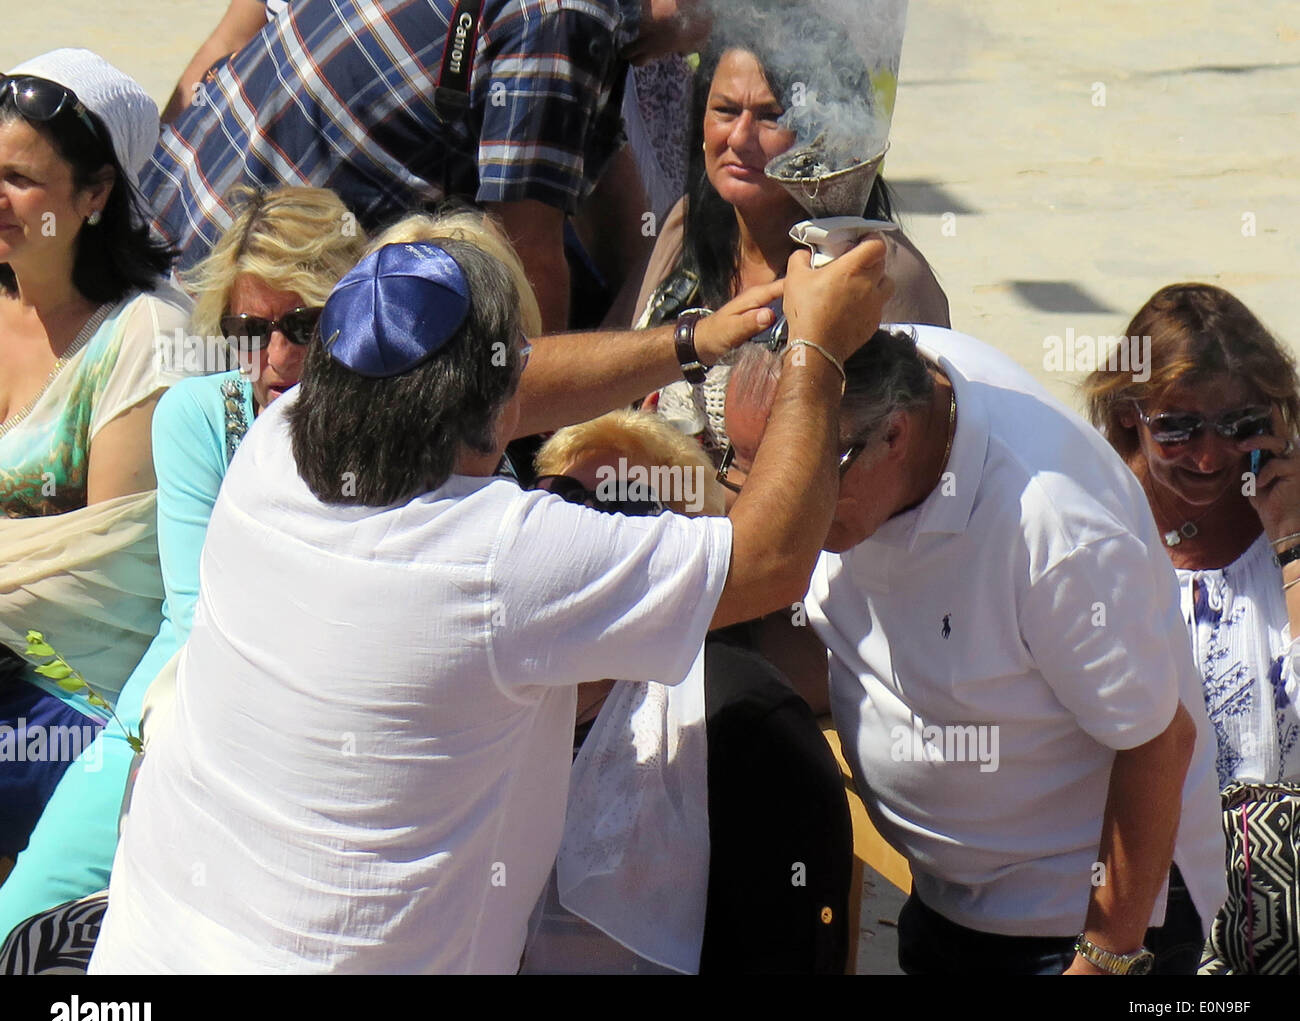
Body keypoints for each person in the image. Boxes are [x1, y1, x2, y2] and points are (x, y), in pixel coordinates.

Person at [87, 226, 889, 974]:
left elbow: (505, 379)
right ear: (492, 406)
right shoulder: (502, 559)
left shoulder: (274, 449)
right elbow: (772, 558)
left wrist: (690, 342)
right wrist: (817, 349)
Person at [720, 323, 1226, 975]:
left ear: (893, 438)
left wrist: (1102, 959)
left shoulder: (1056, 532)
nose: (769, 509)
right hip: (944, 907)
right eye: (743, 465)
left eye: (793, 476)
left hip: (1078, 924)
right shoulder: (867, 397)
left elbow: (1159, 742)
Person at [0, 186, 366, 940]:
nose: (274, 360)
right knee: (28, 909)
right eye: (246, 329)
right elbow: (198, 614)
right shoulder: (200, 413)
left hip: (331, 726)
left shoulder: (388, 432)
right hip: (175, 696)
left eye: (302, 326)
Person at [145, 0, 711, 330]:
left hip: (148, 223)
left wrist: (641, 294)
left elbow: (591, 182)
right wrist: (565, 428)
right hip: (219, 304)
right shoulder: (565, 15)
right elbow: (525, 259)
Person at [524, 408, 852, 973]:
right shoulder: (491, 682)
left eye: (622, 503)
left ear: (690, 553)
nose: (586, 527)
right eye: (562, 499)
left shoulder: (746, 724)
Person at [0, 49, 189, 877]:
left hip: (68, 699)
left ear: (97, 195)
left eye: (19, 179)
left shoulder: (145, 340)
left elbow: (104, 585)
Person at [1082, 283, 1300, 975]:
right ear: (1128, 414)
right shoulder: (1085, 528)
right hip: (1128, 899)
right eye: (1177, 429)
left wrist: (1291, 542)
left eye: (1237, 426)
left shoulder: (1291, 521)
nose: (1209, 457)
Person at [630, 27, 950, 458]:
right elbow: (620, 381)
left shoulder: (879, 273)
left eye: (772, 116)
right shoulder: (683, 226)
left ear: (830, 136)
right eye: (725, 110)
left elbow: (909, 460)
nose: (740, 139)